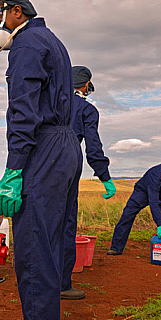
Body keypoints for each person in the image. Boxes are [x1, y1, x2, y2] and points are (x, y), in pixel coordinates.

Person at [0, 0, 82, 320]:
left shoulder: (26, 46)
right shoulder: (51, 40)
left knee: (34, 244)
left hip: (44, 149)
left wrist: (14, 169)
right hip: (67, 145)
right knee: (50, 240)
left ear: (15, 10)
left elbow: (24, 112)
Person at [61, 66, 116, 300]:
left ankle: (35, 280)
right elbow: (93, 148)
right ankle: (62, 284)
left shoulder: (49, 102)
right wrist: (105, 176)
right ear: (85, 85)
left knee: (41, 222)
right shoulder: (87, 110)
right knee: (65, 223)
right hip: (68, 163)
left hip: (39, 162)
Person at [107, 158, 161, 255]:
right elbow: (154, 202)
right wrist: (160, 224)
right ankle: (116, 248)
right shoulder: (157, 174)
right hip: (142, 192)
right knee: (127, 215)